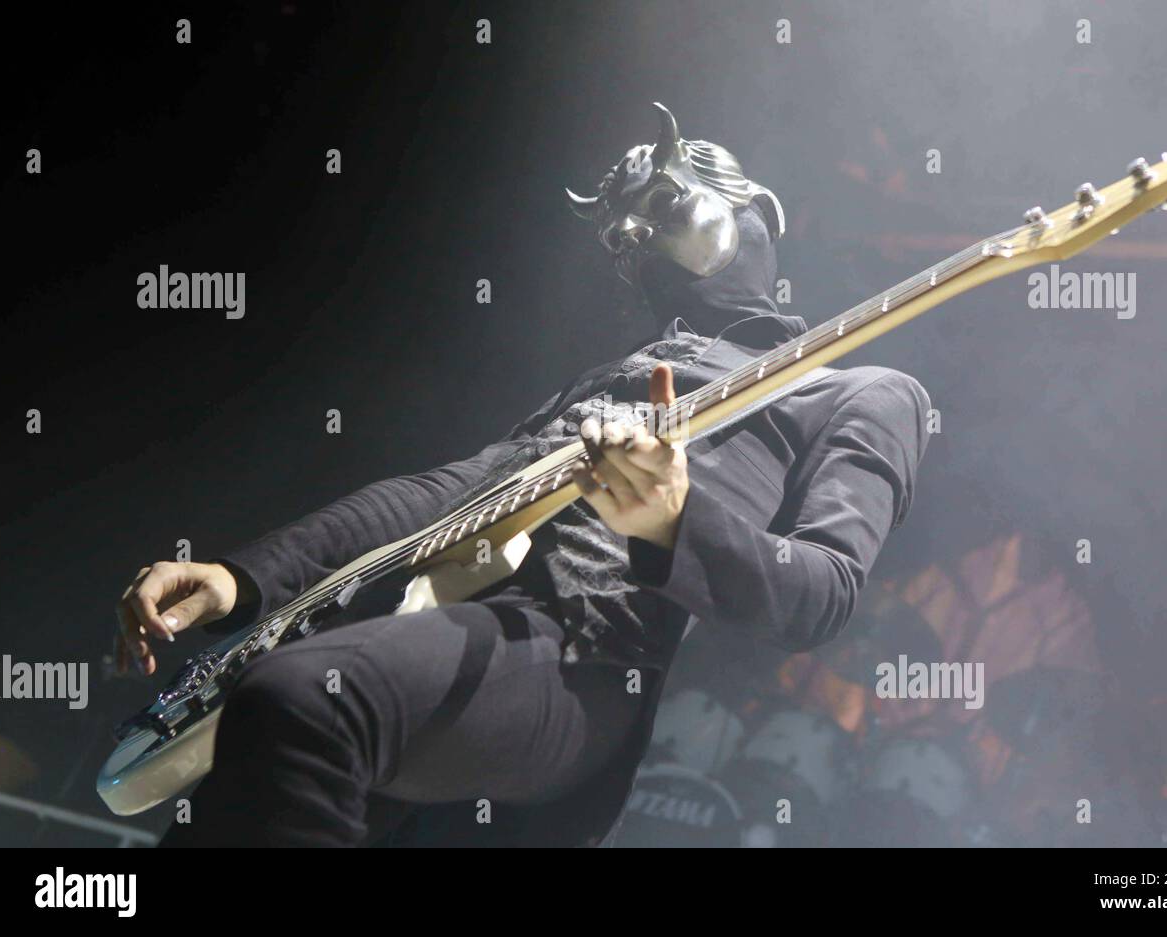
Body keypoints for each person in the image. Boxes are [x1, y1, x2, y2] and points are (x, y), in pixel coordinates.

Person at [115, 103, 932, 846]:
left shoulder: (859, 393)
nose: (647, 247)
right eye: (628, 240)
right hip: (438, 630)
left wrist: (674, 521)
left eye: (667, 208)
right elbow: (441, 496)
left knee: (299, 700)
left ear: (756, 209)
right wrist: (243, 577)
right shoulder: (612, 380)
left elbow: (822, 592)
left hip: (582, 655)